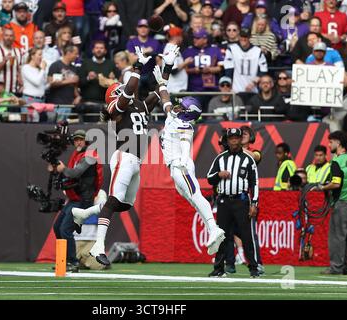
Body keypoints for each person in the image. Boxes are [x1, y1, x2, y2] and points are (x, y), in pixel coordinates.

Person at [71, 45, 178, 266]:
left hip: (136, 160)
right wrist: (137, 67)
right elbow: (129, 90)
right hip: (123, 156)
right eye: (121, 90)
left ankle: (81, 214)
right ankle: (98, 247)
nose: (125, 90)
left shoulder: (138, 106)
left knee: (124, 204)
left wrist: (167, 66)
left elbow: (159, 92)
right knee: (112, 202)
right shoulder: (116, 109)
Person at [154, 67, 226, 255]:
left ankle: (214, 228)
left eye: (181, 106)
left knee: (196, 196)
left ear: (188, 112)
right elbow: (166, 100)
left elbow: (186, 144)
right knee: (193, 201)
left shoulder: (185, 125)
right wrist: (162, 82)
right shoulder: (173, 117)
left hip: (181, 165)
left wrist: (183, 161)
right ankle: (213, 229)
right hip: (176, 167)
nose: (177, 107)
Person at [47, 129, 104, 273]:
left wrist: (62, 169)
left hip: (83, 200)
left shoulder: (90, 156)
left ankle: (73, 262)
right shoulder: (79, 155)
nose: (78, 142)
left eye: (80, 139)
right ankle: (65, 260)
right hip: (75, 198)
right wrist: (55, 170)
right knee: (58, 227)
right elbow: (69, 176)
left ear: (86, 141)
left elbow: (76, 173)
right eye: (76, 140)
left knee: (65, 230)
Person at [207, 127, 260, 278]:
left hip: (242, 200)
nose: (234, 141)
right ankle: (219, 268)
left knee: (247, 235)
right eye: (231, 138)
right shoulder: (220, 158)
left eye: (237, 138)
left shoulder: (248, 159)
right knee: (221, 235)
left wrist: (254, 203)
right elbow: (209, 177)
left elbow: (254, 182)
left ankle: (254, 268)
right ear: (228, 141)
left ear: (240, 140)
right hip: (224, 201)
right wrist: (219, 174)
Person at [314, 131, 347, 275]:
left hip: (343, 203)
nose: (329, 145)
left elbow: (336, 183)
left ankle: (336, 267)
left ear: (338, 143)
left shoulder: (337, 161)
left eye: (331, 142)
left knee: (337, 237)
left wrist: (323, 187)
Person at [181, 28, 224, 110]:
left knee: (212, 113)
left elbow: (220, 68)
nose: (194, 40)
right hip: (194, 89)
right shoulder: (188, 51)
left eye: (197, 38)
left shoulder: (214, 49)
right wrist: (194, 70)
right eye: (194, 38)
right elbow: (183, 70)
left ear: (205, 39)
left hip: (213, 88)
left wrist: (209, 69)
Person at [224, 28, 268, 95]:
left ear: (250, 37)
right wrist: (229, 86)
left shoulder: (258, 51)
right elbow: (228, 70)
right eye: (242, 36)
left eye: (246, 37)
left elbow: (263, 70)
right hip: (236, 90)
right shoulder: (232, 49)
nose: (243, 39)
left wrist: (253, 83)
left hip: (253, 90)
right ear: (239, 37)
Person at [126, 19, 162, 99]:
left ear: (149, 29)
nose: (143, 29)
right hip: (137, 72)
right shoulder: (132, 41)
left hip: (150, 73)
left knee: (156, 82)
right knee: (134, 85)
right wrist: (145, 51)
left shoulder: (155, 42)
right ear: (137, 28)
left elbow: (159, 61)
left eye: (145, 27)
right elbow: (132, 60)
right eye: (140, 26)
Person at [47, 44, 81, 116]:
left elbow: (74, 86)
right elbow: (50, 84)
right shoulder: (55, 65)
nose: (77, 56)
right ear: (68, 53)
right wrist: (70, 80)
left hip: (69, 104)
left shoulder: (74, 68)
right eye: (75, 54)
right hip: (56, 104)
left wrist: (78, 96)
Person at [78, 40, 116, 105]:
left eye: (101, 48)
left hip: (106, 102)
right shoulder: (86, 63)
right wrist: (88, 78)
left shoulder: (111, 64)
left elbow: (117, 84)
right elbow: (79, 82)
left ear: (105, 51)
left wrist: (113, 79)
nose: (99, 50)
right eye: (97, 48)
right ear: (93, 50)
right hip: (88, 102)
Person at [0, 27, 23, 95]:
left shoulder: (18, 51)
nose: (8, 38)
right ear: (2, 37)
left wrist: (21, 84)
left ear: (14, 38)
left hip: (15, 90)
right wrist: (4, 61)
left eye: (11, 36)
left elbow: (20, 70)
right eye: (6, 35)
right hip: (0, 91)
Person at [158, 26, 189, 94]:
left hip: (175, 88)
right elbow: (173, 70)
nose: (182, 38)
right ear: (176, 37)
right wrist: (186, 63)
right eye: (180, 36)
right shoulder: (171, 49)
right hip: (174, 89)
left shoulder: (171, 47)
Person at [21, 47, 47, 121]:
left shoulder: (39, 69)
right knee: (31, 126)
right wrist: (43, 69)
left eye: (42, 55)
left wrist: (51, 84)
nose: (41, 57)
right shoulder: (26, 68)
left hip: (41, 100)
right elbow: (36, 82)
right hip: (30, 100)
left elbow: (42, 86)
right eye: (39, 55)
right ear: (32, 56)